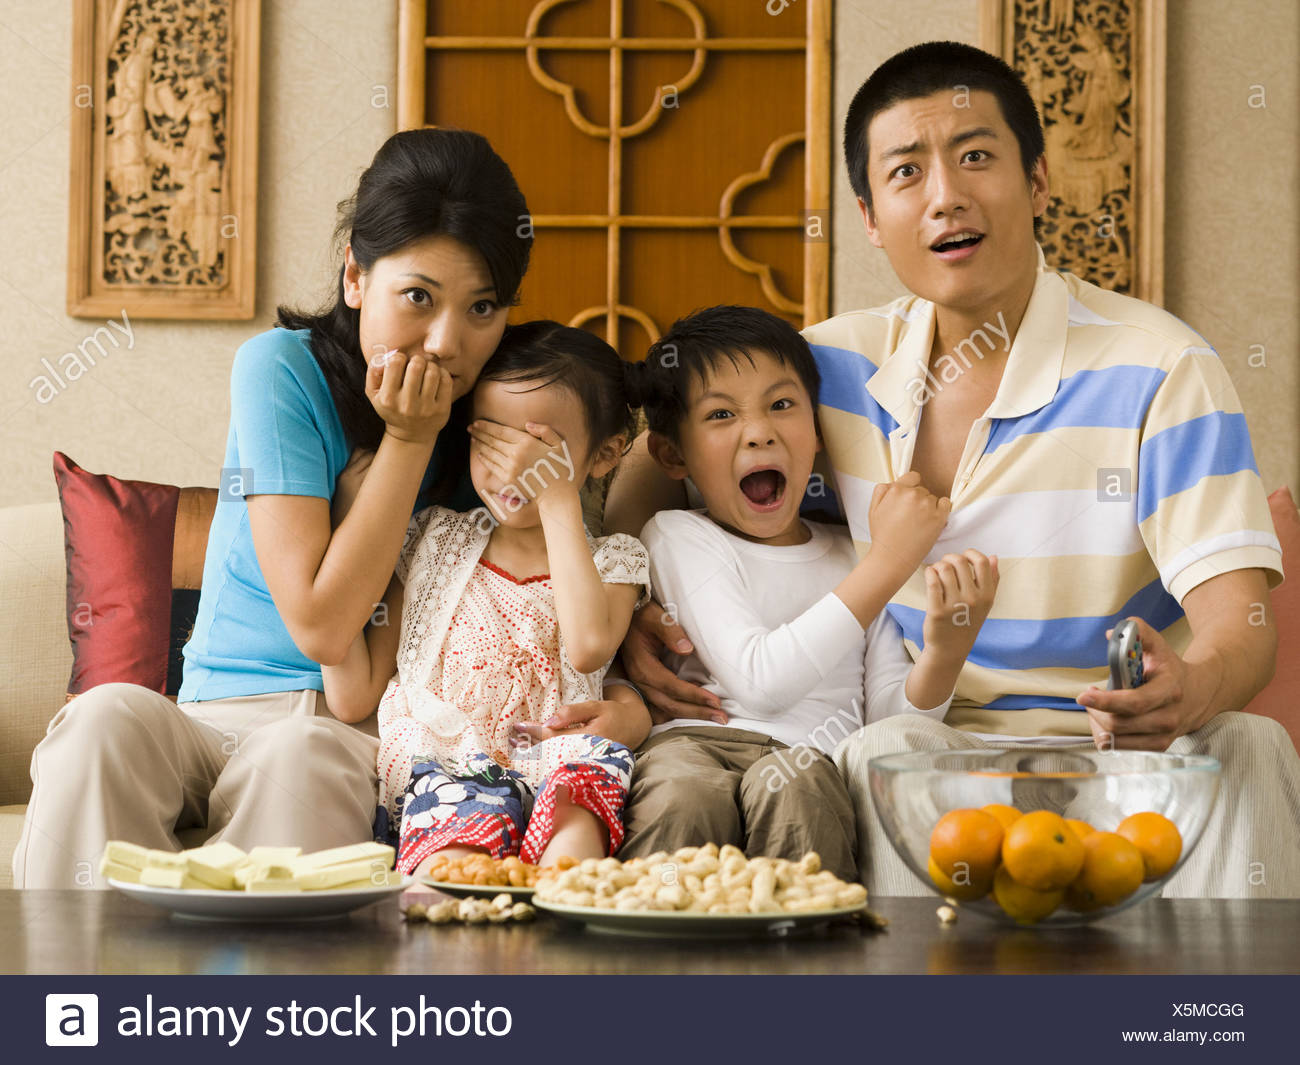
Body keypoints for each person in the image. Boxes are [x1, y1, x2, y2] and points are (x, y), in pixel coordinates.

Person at [606, 41, 1300, 898]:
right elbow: (662, 456)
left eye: (976, 156)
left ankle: (1232, 1028)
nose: (946, 195)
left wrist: (1190, 687)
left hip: (1125, 760)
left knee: (1253, 742)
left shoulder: (1162, 366)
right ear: (868, 217)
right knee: (879, 749)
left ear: (1039, 180)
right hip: (931, 750)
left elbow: (1246, 623)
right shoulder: (823, 371)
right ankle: (921, 1027)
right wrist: (632, 606)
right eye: (906, 172)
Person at [14, 128, 645, 889]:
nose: (447, 341)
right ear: (355, 275)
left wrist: (630, 680)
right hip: (215, 709)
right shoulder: (280, 371)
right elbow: (316, 615)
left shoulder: (488, 415)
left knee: (299, 753)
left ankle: (272, 1006)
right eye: (418, 297)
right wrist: (410, 440)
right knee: (100, 721)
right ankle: (62, 994)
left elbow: (553, 584)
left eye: (483, 307)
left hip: (356, 725)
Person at [616, 305, 997, 882]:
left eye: (782, 405)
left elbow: (887, 719)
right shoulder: (680, 534)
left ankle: (806, 964)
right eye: (721, 414)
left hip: (813, 756)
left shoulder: (856, 553)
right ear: (673, 454)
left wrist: (946, 651)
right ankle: (656, 960)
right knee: (682, 797)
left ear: (818, 432)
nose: (760, 430)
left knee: (801, 793)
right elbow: (762, 683)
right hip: (696, 745)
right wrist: (890, 562)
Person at [321, 321, 652, 876]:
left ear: (605, 454)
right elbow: (355, 696)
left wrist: (557, 501)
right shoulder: (435, 541)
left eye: (540, 447)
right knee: (460, 847)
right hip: (449, 758)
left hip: (562, 755)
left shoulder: (614, 560)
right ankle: (454, 924)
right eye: (493, 440)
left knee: (581, 810)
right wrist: (343, 529)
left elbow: (590, 647)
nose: (512, 467)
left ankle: (564, 914)